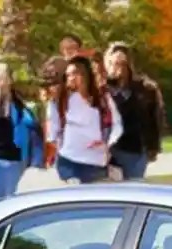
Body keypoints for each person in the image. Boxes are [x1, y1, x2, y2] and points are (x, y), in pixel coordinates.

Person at [46, 54, 122, 184]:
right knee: (74, 199)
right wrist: (59, 145)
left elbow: (117, 125)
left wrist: (107, 144)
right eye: (68, 74)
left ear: (85, 74)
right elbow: (53, 131)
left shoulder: (102, 98)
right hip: (69, 161)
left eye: (75, 73)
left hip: (95, 162)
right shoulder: (61, 100)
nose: (71, 78)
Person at [0, 62, 41, 201]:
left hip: (13, 157)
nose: (4, 82)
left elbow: (26, 124)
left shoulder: (15, 103)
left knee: (9, 198)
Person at [104, 43, 164, 180]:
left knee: (134, 189)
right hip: (109, 151)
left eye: (122, 64)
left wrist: (154, 146)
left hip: (135, 149)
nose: (118, 68)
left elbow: (155, 118)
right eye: (114, 63)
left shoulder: (146, 89)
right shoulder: (101, 90)